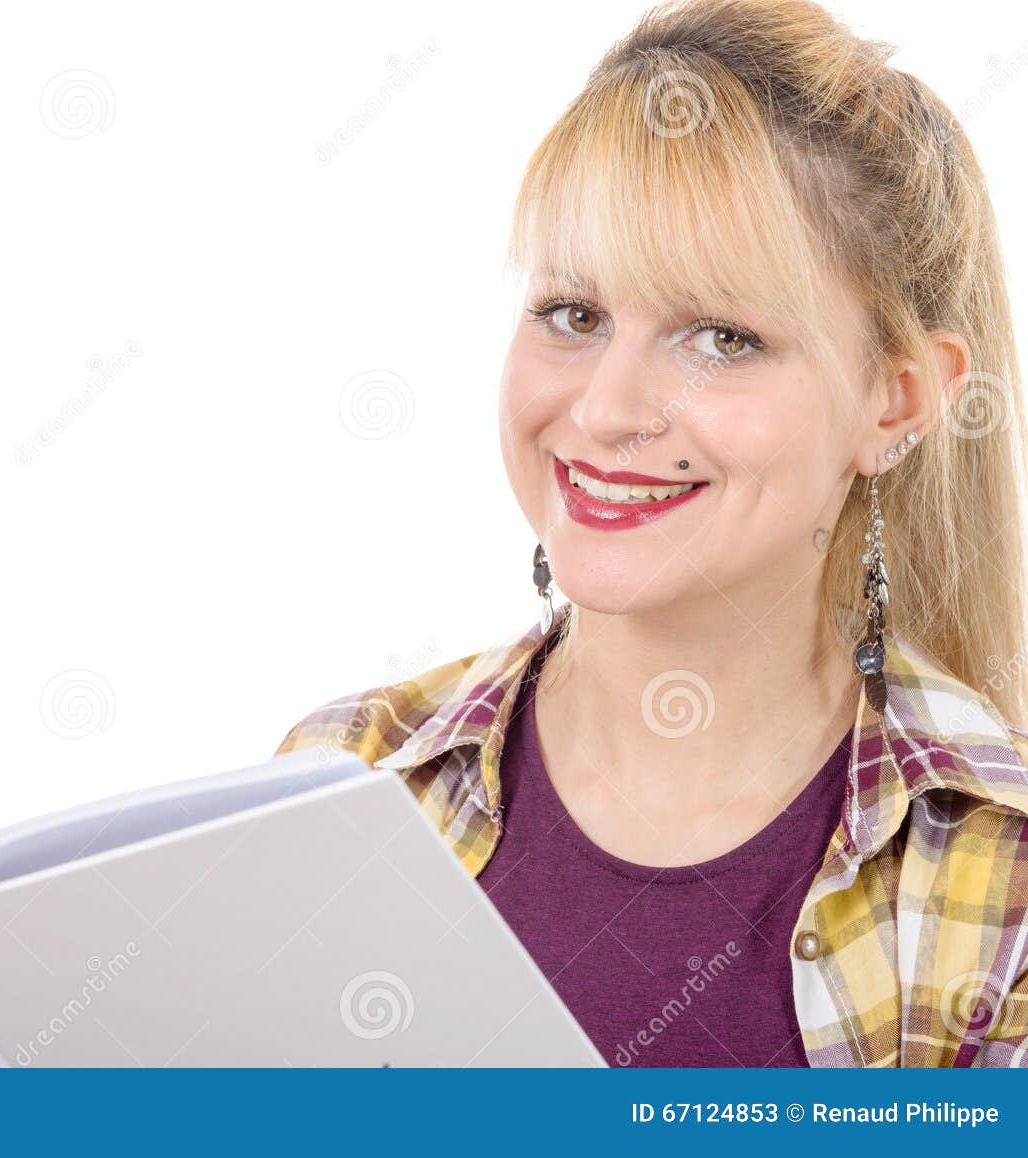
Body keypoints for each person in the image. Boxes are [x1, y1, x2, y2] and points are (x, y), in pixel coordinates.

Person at [276, 0, 1028, 1067]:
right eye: (574, 315)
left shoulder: (1003, 876)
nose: (605, 409)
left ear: (896, 404)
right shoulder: (344, 786)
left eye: (721, 336)